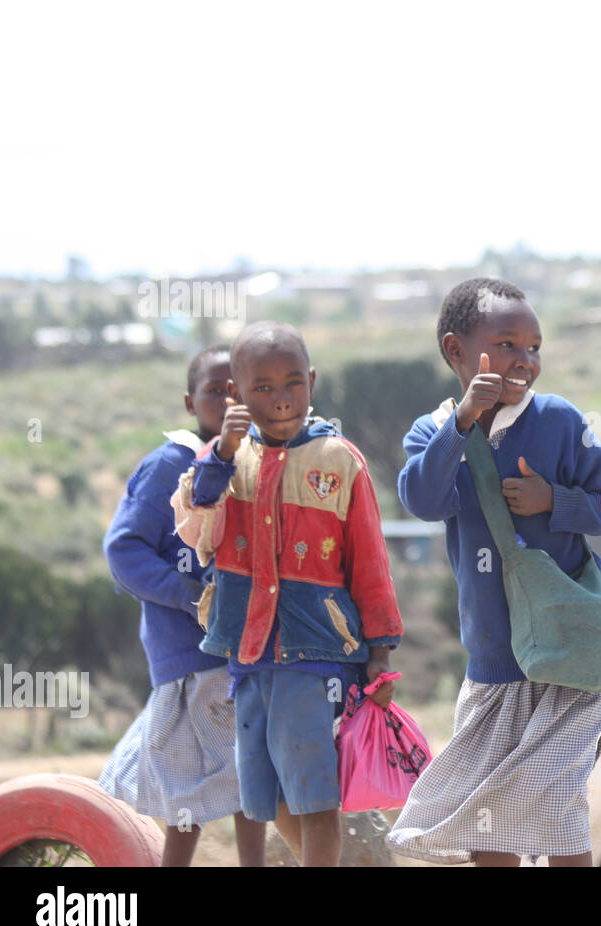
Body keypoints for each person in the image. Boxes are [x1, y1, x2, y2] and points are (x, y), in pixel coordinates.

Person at [386, 278, 601, 867]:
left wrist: (555, 502)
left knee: (559, 811)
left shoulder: (561, 422)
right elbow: (423, 498)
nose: (526, 360)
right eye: (509, 344)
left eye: (535, 346)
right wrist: (463, 421)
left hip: (572, 654)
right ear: (456, 351)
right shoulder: (431, 431)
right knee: (490, 823)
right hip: (495, 657)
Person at [171, 321, 403, 867]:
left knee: (315, 795)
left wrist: (381, 650)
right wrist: (224, 451)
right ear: (237, 394)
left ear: (313, 382)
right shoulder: (226, 463)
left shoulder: (340, 461)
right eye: (263, 388)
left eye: (293, 384)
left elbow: (370, 561)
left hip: (317, 651)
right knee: (266, 794)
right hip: (249, 654)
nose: (280, 400)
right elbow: (197, 513)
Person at [99, 345, 267, 866]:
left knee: (252, 775)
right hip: (188, 656)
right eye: (215, 390)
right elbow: (123, 548)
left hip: (250, 651)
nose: (228, 399)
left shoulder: (258, 461)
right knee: (184, 791)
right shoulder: (169, 463)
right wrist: (187, 592)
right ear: (190, 400)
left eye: (239, 389)